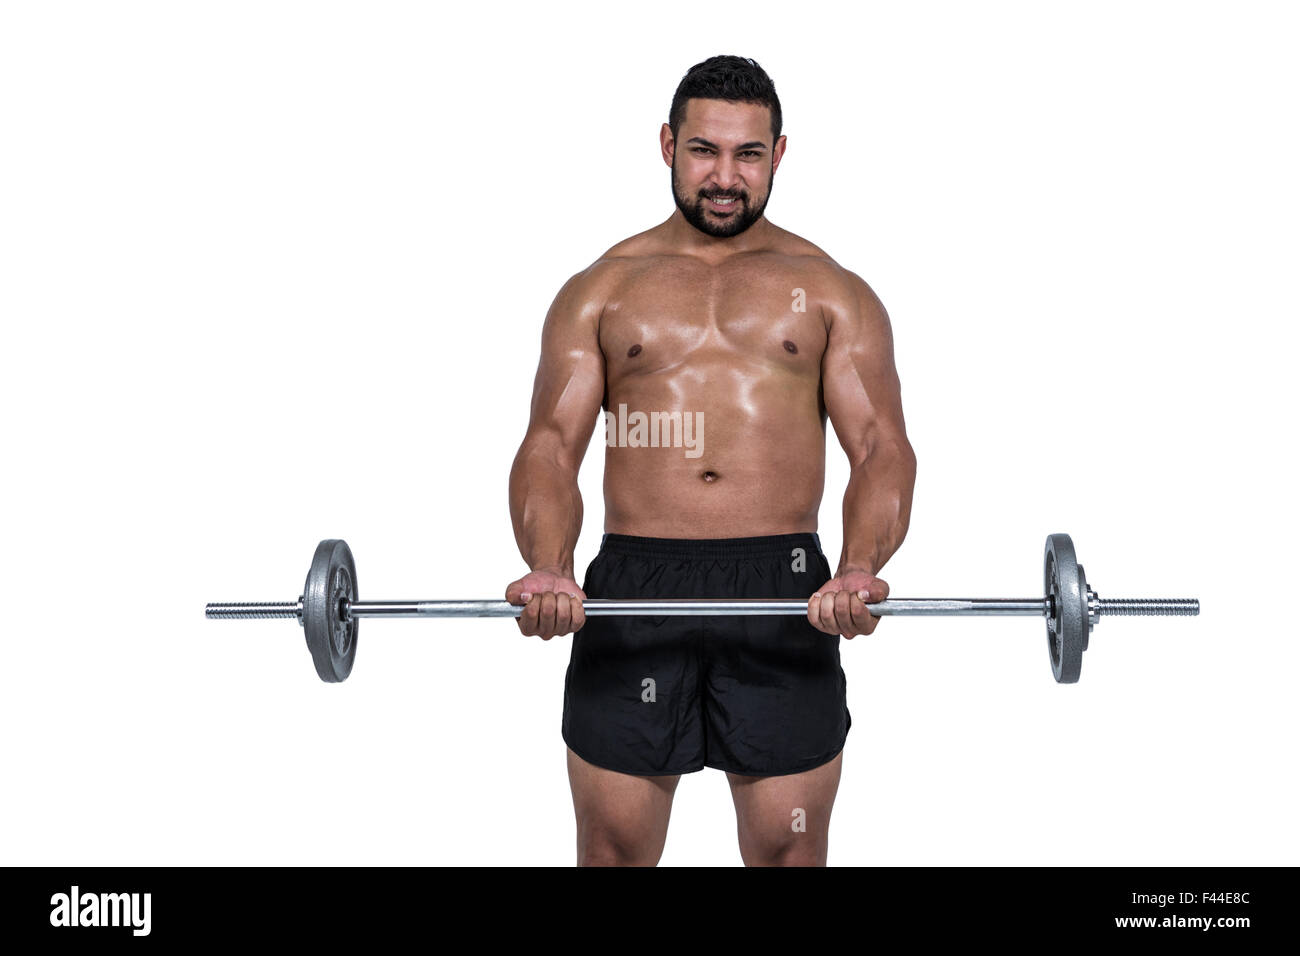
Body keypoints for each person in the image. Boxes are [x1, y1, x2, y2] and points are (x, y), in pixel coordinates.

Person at [506, 55, 917, 866]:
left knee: (786, 854)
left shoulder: (833, 291)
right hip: (634, 587)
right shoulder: (600, 289)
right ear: (667, 144)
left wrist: (861, 566)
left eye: (748, 155)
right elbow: (551, 446)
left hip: (787, 588)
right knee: (614, 853)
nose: (725, 177)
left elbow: (879, 448)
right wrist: (550, 566)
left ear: (779, 154)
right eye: (704, 151)